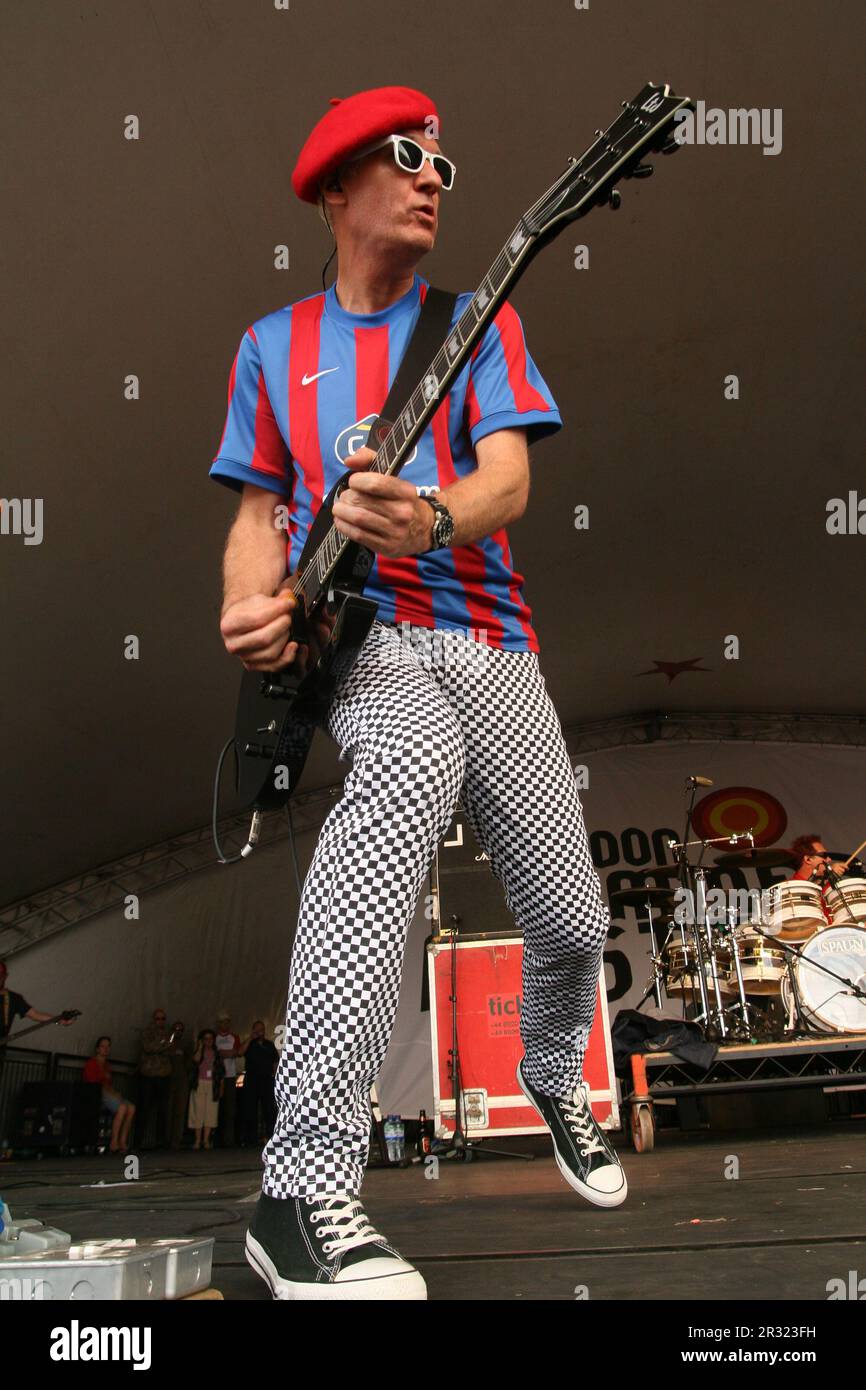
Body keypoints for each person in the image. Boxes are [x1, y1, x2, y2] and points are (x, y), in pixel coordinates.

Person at [211, 85, 624, 1302]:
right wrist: (248, 607)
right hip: (372, 641)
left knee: (567, 917)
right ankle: (300, 1191)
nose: (433, 175)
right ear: (336, 187)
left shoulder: (476, 319)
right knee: (399, 777)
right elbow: (252, 512)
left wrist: (430, 516)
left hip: (494, 642)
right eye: (404, 156)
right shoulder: (269, 348)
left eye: (442, 157)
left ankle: (552, 1070)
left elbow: (508, 480)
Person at [83, 1036, 135, 1152]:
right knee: (122, 1107)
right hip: (96, 1094)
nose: (106, 1049)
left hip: (108, 1094)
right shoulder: (92, 1063)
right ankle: (114, 1142)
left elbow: (108, 1084)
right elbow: (94, 1085)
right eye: (103, 1046)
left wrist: (114, 1093)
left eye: (108, 1046)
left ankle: (123, 1141)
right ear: (97, 1049)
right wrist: (112, 1094)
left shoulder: (107, 1066)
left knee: (131, 1107)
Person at [0, 961, 75, 1042]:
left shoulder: (13, 998)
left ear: (5, 976)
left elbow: (35, 1015)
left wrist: (59, 1020)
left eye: (0, 976)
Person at [137, 1008, 173, 1149]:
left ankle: (160, 1141)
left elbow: (171, 1050)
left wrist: (164, 1046)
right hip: (149, 1075)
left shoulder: (168, 1033)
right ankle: (138, 1141)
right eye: (158, 1019)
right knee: (144, 1108)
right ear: (153, 1019)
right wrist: (163, 1045)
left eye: (163, 1019)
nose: (160, 1021)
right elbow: (148, 1047)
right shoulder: (147, 1032)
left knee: (163, 1110)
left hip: (163, 1075)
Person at [238, 1021, 278, 1147]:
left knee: (268, 1109)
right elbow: (239, 1052)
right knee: (250, 1109)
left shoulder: (269, 1045)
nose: (260, 1032)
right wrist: (251, 1037)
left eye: (262, 1029)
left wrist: (275, 1076)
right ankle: (251, 1138)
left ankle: (270, 1136)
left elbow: (275, 1061)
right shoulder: (249, 1044)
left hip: (266, 1080)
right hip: (252, 1080)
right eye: (257, 1030)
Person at [188, 1029, 224, 1151]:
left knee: (211, 1111)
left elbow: (221, 1073)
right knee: (198, 1111)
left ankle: (206, 1140)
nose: (208, 1041)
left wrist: (221, 1088)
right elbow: (196, 1060)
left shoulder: (217, 1053)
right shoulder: (199, 1051)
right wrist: (199, 1046)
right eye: (205, 1039)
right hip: (199, 1083)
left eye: (210, 1039)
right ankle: (197, 1140)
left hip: (212, 1084)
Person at [214, 1012, 241, 1147]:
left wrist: (225, 1053)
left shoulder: (234, 1037)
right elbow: (215, 1054)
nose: (224, 1024)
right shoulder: (214, 1038)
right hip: (216, 1077)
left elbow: (237, 1052)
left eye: (226, 1021)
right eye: (221, 1021)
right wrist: (226, 1053)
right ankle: (215, 1138)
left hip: (230, 1076)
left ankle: (228, 1140)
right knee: (216, 1108)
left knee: (230, 1109)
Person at [168, 1019, 192, 1149]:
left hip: (182, 1078)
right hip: (167, 1078)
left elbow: (189, 1062)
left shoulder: (186, 1044)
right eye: (176, 1029)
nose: (178, 1032)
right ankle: (165, 1139)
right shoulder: (167, 1043)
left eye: (180, 1030)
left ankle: (176, 1141)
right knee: (168, 1109)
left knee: (179, 1111)